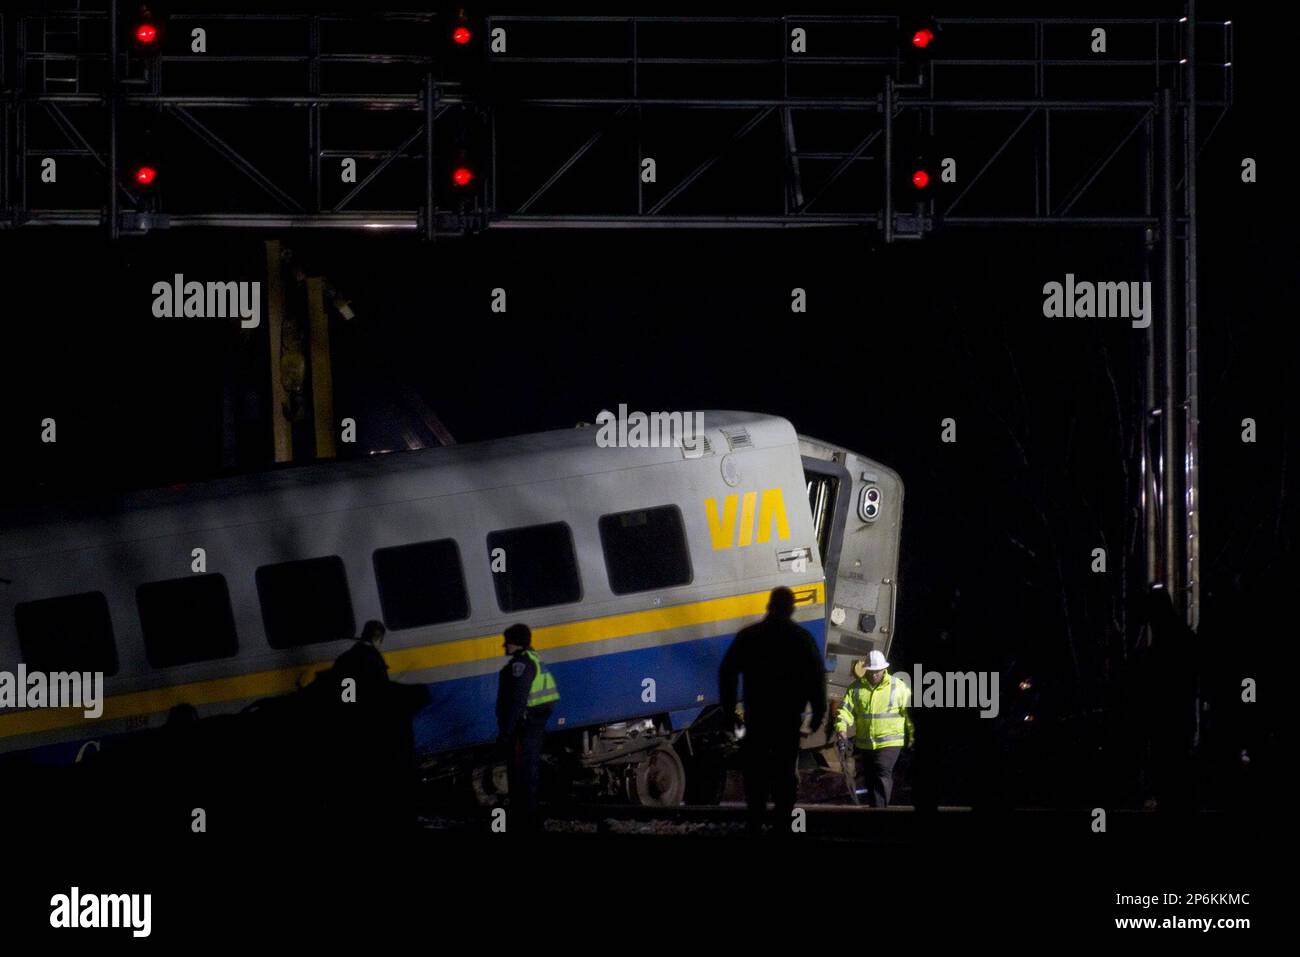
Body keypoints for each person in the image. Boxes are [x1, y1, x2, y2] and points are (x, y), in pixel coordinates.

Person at [719, 586, 827, 834]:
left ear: (769, 606)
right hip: (787, 718)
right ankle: (782, 824)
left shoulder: (749, 636)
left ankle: (755, 822)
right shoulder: (801, 639)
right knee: (784, 771)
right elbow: (815, 678)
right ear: (791, 608)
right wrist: (818, 714)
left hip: (758, 717)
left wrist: (728, 711)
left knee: (755, 772)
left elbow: (728, 673)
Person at [496, 623, 560, 832]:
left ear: (516, 642)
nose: (504, 646)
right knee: (528, 768)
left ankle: (527, 819)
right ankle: (528, 816)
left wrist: (507, 731)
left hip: (527, 724)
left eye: (508, 641)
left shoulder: (521, 664)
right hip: (535, 721)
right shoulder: (534, 658)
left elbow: (518, 700)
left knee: (524, 770)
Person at [834, 650, 914, 807]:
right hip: (866, 744)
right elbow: (845, 712)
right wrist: (841, 730)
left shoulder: (898, 687)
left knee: (882, 773)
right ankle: (875, 810)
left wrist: (912, 737)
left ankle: (880, 812)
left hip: (890, 742)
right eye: (871, 671)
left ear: (884, 669)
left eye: (877, 671)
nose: (874, 674)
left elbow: (910, 714)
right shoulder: (855, 689)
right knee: (870, 778)